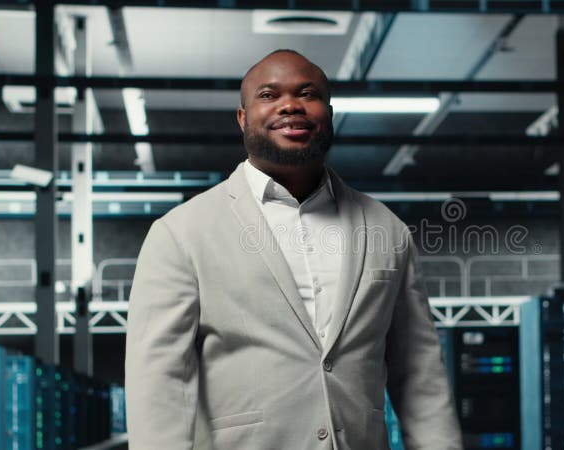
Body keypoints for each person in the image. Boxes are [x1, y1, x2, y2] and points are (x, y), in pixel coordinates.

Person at [125, 49, 461, 449]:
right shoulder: (180, 232)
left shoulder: (387, 228)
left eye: (308, 94)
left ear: (329, 114)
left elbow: (420, 374)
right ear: (243, 117)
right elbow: (159, 383)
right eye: (269, 95)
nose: (290, 105)